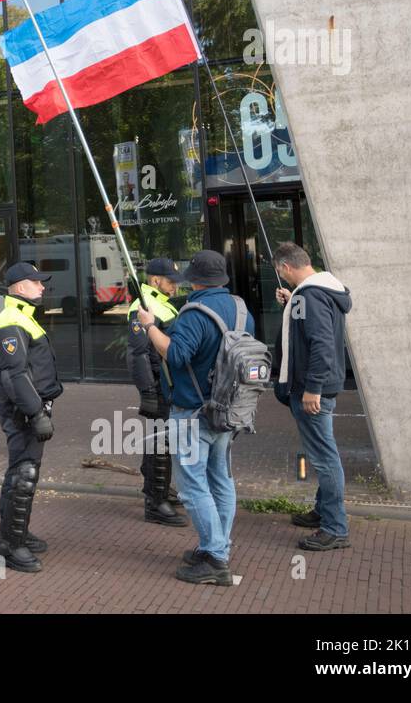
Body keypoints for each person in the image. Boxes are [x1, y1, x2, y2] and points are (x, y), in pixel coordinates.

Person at [136, 249, 252, 586]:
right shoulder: (241, 309)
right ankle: (217, 546)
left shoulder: (194, 312)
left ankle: (215, 557)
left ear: (195, 281)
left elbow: (175, 354)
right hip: (229, 409)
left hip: (193, 411)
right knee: (221, 480)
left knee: (193, 486)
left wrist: (150, 327)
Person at [273, 241, 353, 551]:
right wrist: (292, 302)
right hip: (316, 386)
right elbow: (312, 332)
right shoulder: (317, 291)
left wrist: (312, 388)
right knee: (322, 453)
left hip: (312, 390)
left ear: (286, 268)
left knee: (323, 457)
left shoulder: (312, 295)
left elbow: (320, 343)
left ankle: (335, 528)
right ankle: (323, 512)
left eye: (281, 273)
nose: (281, 277)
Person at [0, 262, 63, 574]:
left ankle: (12, 533)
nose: (42, 287)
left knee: (22, 470)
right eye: (36, 282)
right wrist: (35, 412)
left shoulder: (21, 317)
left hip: (31, 407)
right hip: (22, 410)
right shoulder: (10, 320)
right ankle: (10, 545)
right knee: (24, 472)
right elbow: (15, 375)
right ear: (20, 287)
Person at [125, 259, 188, 527]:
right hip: (158, 386)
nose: (175, 285)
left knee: (165, 441)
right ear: (154, 280)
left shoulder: (160, 303)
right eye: (170, 280)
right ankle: (154, 502)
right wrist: (148, 392)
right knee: (159, 443)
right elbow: (137, 354)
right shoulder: (141, 307)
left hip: (169, 383)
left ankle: (160, 490)